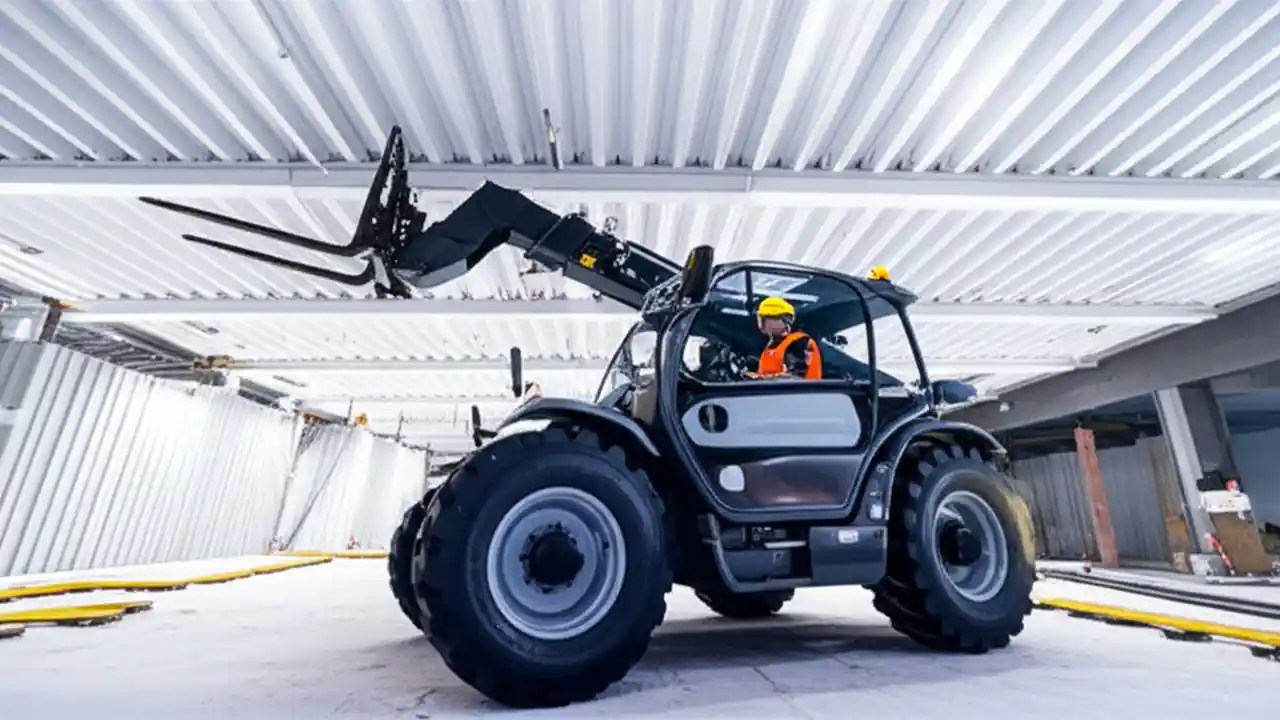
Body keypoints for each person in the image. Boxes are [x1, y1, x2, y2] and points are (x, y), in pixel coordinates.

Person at [748, 296, 822, 380]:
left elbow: (794, 379)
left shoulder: (798, 343)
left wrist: (761, 379)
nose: (761, 324)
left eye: (764, 319)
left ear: (781, 320)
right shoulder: (775, 343)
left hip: (801, 393)